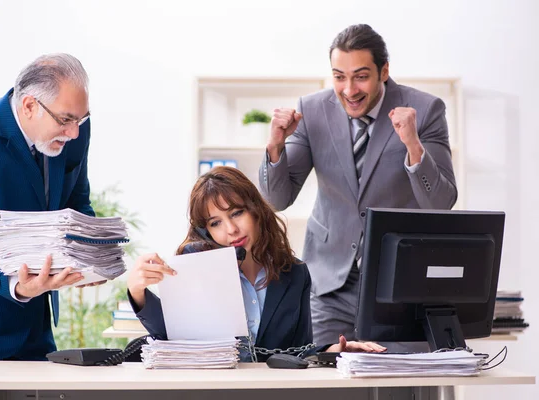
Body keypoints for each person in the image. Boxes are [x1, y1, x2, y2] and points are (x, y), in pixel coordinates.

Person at [258, 24, 458, 346]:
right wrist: (275, 145)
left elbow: (441, 201)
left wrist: (413, 145)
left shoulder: (426, 110)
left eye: (361, 76)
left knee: (399, 388)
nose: (349, 90)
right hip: (329, 283)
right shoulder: (312, 110)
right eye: (339, 76)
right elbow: (277, 198)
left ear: (384, 71)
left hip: (397, 284)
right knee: (323, 381)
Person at [0, 53, 94, 382]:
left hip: (34, 319)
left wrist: (90, 255)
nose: (74, 133)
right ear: (29, 106)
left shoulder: (73, 127)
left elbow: (77, 202)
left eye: (80, 120)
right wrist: (20, 287)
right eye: (66, 121)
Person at [127, 166, 385, 361]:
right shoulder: (196, 266)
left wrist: (331, 351)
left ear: (256, 211)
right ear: (206, 232)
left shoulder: (294, 273)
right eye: (215, 223)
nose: (231, 230)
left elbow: (299, 350)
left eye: (237, 213)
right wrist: (138, 292)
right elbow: (171, 338)